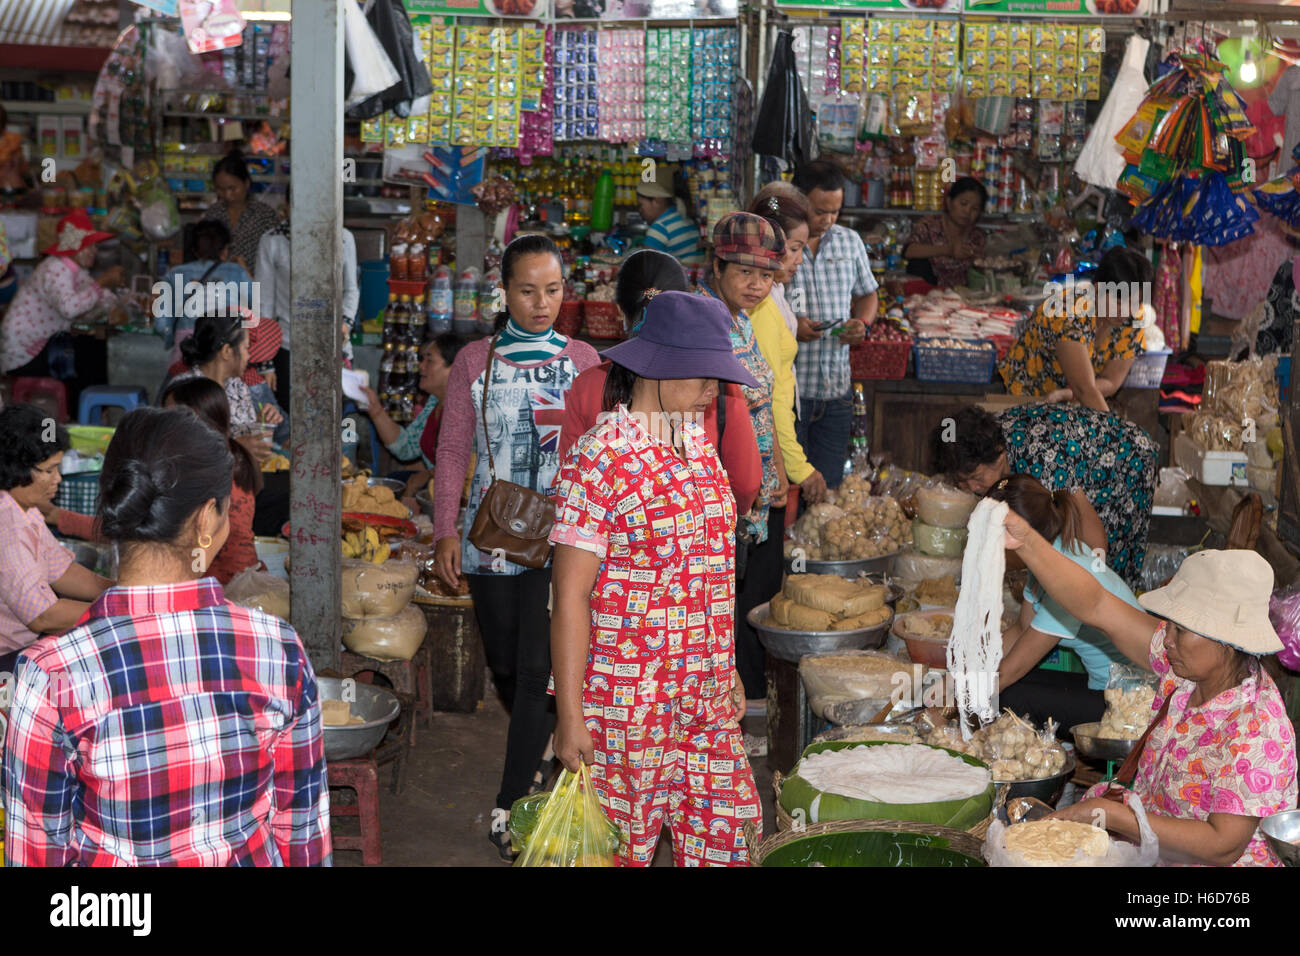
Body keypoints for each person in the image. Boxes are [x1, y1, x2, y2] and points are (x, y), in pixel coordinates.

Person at [2, 407, 331, 866]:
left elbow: (36, 854)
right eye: (226, 509)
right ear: (204, 521)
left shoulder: (49, 674)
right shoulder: (278, 649)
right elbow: (302, 837)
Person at [550, 290, 761, 866]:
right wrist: (570, 718)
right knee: (621, 853)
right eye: (703, 376)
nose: (713, 390)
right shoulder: (601, 457)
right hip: (627, 704)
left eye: (719, 377)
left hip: (706, 696)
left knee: (729, 839)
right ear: (659, 366)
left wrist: (729, 669)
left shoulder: (697, 444)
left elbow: (713, 576)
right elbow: (569, 596)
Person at [431, 234, 600, 860]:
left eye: (552, 290)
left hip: (563, 537)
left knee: (536, 673)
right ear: (503, 293)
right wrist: (444, 527)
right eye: (527, 291)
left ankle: (509, 804)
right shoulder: (475, 361)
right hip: (490, 535)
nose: (541, 303)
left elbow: (597, 447)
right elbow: (452, 450)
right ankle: (531, 752)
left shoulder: (584, 359)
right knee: (503, 663)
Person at [1003, 517, 1297, 866]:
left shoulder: (1258, 727)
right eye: (1168, 625)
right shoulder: (1188, 671)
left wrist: (1113, 816)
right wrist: (1027, 544)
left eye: (1181, 630)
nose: (1167, 639)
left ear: (1227, 642)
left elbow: (1222, 846)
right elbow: (1096, 604)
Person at [558, 249, 762, 518]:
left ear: (619, 311)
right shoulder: (718, 394)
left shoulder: (588, 385)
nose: (710, 390)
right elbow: (745, 484)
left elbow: (570, 488)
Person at [930, 402, 1157, 589]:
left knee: (1105, 563)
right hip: (1076, 452)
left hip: (1124, 460)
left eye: (977, 478)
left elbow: (1094, 538)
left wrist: (1088, 587)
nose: (972, 488)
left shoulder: (1042, 460)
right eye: (962, 482)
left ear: (999, 456)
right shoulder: (980, 438)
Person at [986, 475, 1137, 731]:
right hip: (1104, 689)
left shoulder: (1065, 579)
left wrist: (951, 700)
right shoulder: (1052, 554)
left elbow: (1011, 670)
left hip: (1129, 705)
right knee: (1005, 685)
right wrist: (970, 662)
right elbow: (1021, 630)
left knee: (1005, 696)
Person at [0, 404, 112, 674]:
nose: (58, 479)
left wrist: (121, 589)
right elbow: (43, 617)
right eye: (49, 470)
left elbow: (62, 570)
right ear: (18, 469)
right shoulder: (8, 524)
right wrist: (118, 611)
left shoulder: (25, 509)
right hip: (7, 661)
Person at [789, 161, 876, 488]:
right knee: (790, 487)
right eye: (819, 210)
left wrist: (862, 324)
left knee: (828, 487)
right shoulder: (778, 242)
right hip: (790, 395)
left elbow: (868, 296)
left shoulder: (849, 242)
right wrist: (791, 325)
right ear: (798, 200)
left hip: (836, 391)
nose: (827, 220)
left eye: (835, 212)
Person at [748, 181, 828, 506]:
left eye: (802, 249)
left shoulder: (775, 293)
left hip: (772, 442)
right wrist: (796, 468)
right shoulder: (763, 306)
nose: (799, 259)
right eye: (794, 248)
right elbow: (772, 397)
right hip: (766, 446)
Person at [998, 246, 1152, 412]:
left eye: (1135, 302)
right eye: (1120, 302)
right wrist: (1114, 433)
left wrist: (1067, 394)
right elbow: (1084, 389)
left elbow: (1111, 381)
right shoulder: (1068, 312)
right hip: (1024, 394)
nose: (1127, 311)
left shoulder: (1134, 318)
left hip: (1068, 401)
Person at [0, 210, 122, 409]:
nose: (94, 252)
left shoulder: (75, 271)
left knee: (91, 345)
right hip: (23, 353)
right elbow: (70, 308)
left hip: (42, 345)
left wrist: (118, 305)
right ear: (75, 248)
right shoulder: (54, 269)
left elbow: (98, 295)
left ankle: (93, 408)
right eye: (89, 247)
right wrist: (103, 281)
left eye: (94, 246)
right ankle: (87, 410)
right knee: (85, 350)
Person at [255, 192, 361, 406]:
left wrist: (345, 323)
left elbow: (351, 289)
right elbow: (262, 303)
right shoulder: (272, 241)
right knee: (289, 416)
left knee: (330, 415)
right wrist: (265, 362)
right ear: (286, 204)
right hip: (287, 347)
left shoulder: (343, 238)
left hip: (332, 344)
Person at [161, 377, 262, 585]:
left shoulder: (208, 476)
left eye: (171, 418)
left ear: (199, 421)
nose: (164, 427)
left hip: (222, 589)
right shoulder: (234, 454)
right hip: (245, 577)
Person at [361, 332, 467, 503]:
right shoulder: (435, 402)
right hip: (437, 483)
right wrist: (375, 410)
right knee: (392, 480)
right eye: (422, 359)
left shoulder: (468, 409)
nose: (421, 366)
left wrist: (423, 478)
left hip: (463, 493)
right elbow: (405, 447)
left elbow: (467, 466)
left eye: (429, 360)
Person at [165, 313, 284, 466]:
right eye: (246, 348)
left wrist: (261, 422)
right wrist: (234, 448)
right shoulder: (185, 390)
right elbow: (183, 450)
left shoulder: (238, 386)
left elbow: (242, 434)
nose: (249, 356)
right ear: (227, 351)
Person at [155, 219, 254, 354]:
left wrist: (175, 339)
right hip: (226, 348)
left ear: (194, 250)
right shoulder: (238, 272)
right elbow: (257, 309)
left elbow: (161, 325)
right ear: (224, 250)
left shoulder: (174, 274)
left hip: (186, 347)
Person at [200, 151, 280, 276]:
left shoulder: (265, 216)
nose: (227, 195)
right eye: (220, 189)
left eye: (232, 188)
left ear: (246, 183)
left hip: (255, 287)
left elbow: (276, 258)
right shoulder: (212, 214)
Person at [902, 177, 989, 288]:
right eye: (963, 204)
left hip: (965, 297)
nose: (967, 211)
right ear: (949, 202)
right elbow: (908, 251)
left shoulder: (978, 237)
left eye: (975, 208)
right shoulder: (928, 227)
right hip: (929, 296)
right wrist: (948, 250)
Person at [637, 163, 703, 264]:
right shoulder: (686, 218)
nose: (640, 210)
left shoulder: (660, 229)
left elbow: (645, 266)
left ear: (656, 201)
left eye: (641, 205)